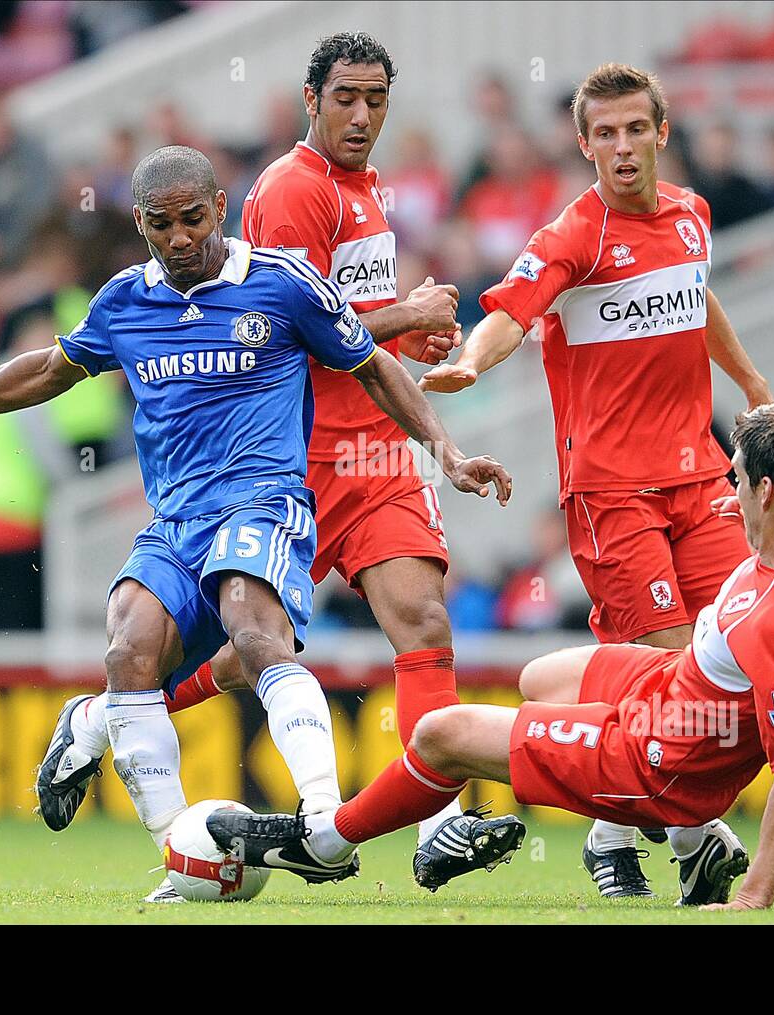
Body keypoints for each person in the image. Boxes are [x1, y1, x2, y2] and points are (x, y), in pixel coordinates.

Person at [0, 145, 512, 901]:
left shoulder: (282, 283)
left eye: (194, 219)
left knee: (251, 629)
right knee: (129, 649)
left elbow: (373, 365)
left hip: (265, 500)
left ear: (219, 209)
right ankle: (184, 854)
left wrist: (447, 453)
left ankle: (323, 820)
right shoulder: (125, 301)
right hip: (176, 520)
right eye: (162, 225)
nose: (181, 237)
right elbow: (45, 370)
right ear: (139, 224)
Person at [209, 400, 774, 909]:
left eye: (736, 480)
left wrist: (755, 898)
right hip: (676, 679)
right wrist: (759, 532)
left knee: (439, 734)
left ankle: (326, 841)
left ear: (770, 492)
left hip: (661, 756)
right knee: (538, 677)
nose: (724, 490)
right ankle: (693, 850)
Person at [418, 61, 772, 897]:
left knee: (733, 663)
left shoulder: (691, 216)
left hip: (701, 478)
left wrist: (751, 384)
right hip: (612, 493)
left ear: (661, 133)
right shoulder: (574, 234)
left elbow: (696, 298)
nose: (621, 147)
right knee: (663, 672)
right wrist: (471, 362)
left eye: (634, 130)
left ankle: (645, 835)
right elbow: (510, 313)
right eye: (604, 134)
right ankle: (645, 841)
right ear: (584, 145)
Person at [164, 32, 477, 847]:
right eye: (346, 97)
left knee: (424, 622)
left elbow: (352, 327)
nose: (363, 114)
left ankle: (437, 824)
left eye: (377, 100)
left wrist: (408, 343)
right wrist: (408, 314)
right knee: (256, 643)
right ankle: (130, 708)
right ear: (311, 99)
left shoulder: (365, 189)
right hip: (297, 460)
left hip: (375, 457)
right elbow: (290, 332)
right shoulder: (294, 190)